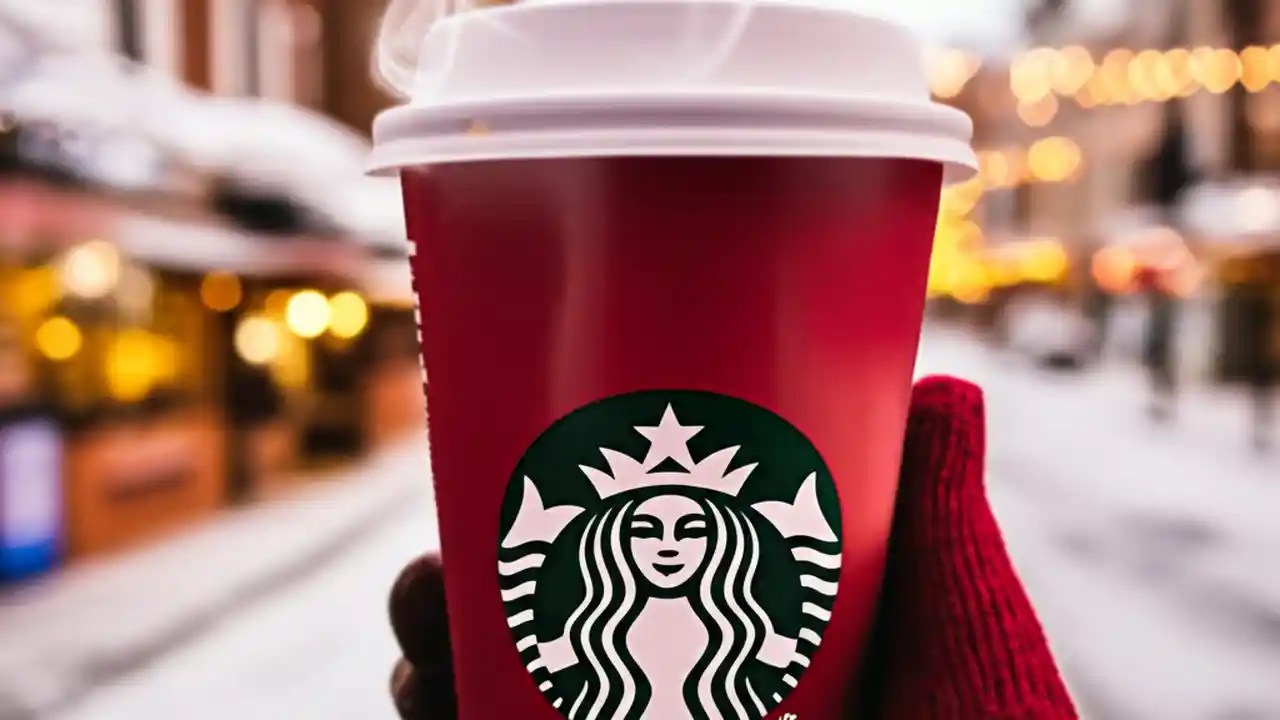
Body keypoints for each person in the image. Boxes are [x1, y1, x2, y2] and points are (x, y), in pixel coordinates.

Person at [385, 377, 1080, 719]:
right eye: (644, 529)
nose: (667, 547)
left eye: (690, 530)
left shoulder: (749, 640)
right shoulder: (588, 642)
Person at [1139, 267, 1178, 422]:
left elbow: (1164, 330)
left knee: (1163, 377)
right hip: (1157, 348)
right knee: (1157, 378)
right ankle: (1158, 405)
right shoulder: (1156, 305)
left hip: (1163, 348)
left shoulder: (1165, 305)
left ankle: (1164, 407)